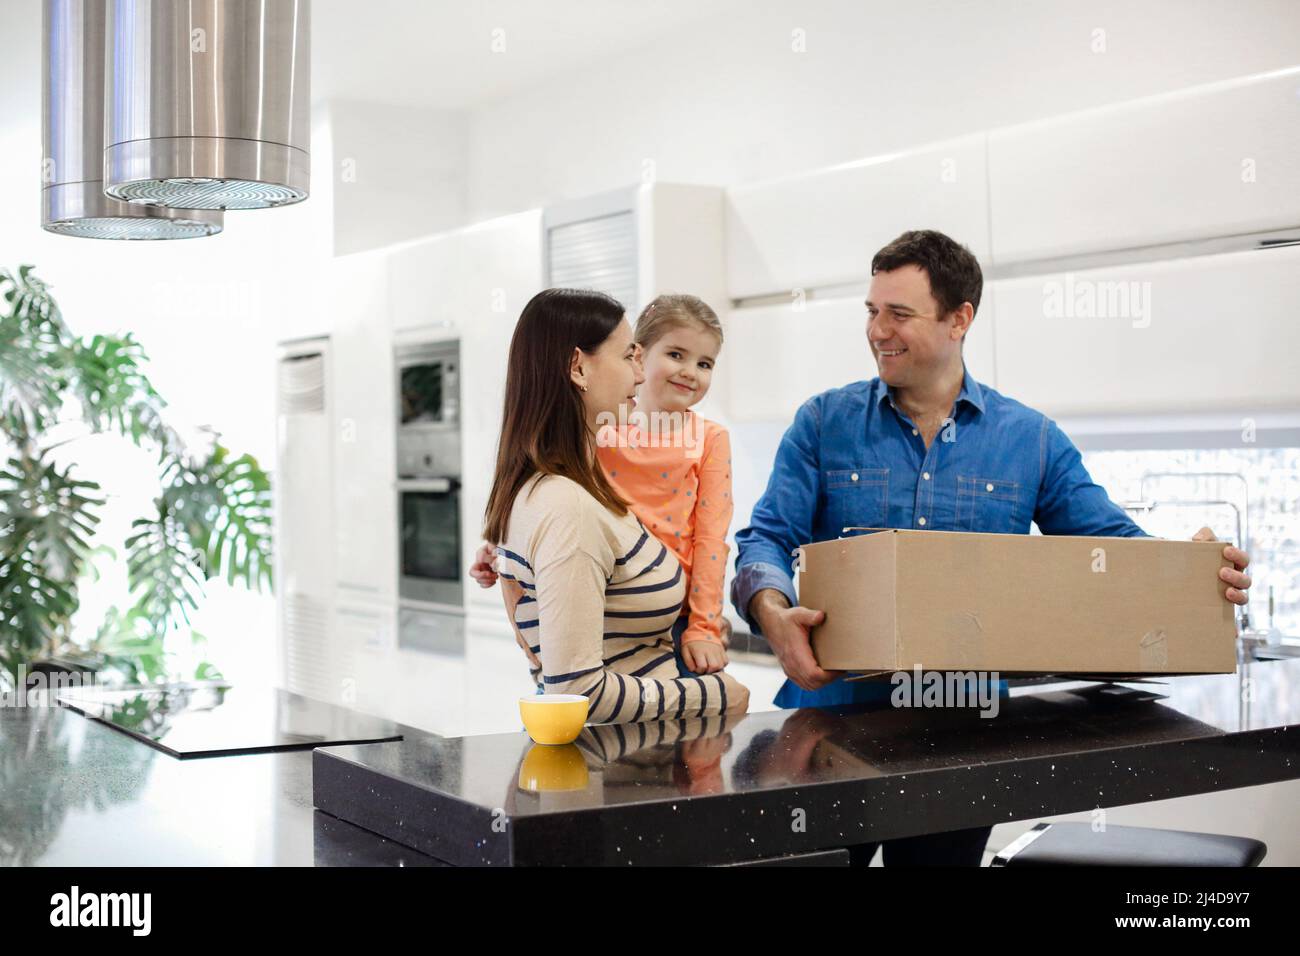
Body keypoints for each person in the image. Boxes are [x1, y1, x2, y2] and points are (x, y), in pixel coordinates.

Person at [731, 229, 1253, 864]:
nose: (877, 330)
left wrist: (1191, 571)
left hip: (964, 731)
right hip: (829, 720)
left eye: (899, 314)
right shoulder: (822, 422)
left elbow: (1113, 552)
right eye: (871, 311)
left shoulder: (1030, 439)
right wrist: (770, 609)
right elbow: (767, 538)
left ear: (959, 319)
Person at [482, 288, 749, 723]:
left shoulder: (560, 477)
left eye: (705, 363)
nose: (639, 376)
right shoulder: (572, 492)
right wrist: (717, 695)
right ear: (578, 367)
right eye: (629, 357)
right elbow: (576, 689)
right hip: (626, 717)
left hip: (671, 635)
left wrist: (703, 622)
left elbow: (712, 539)